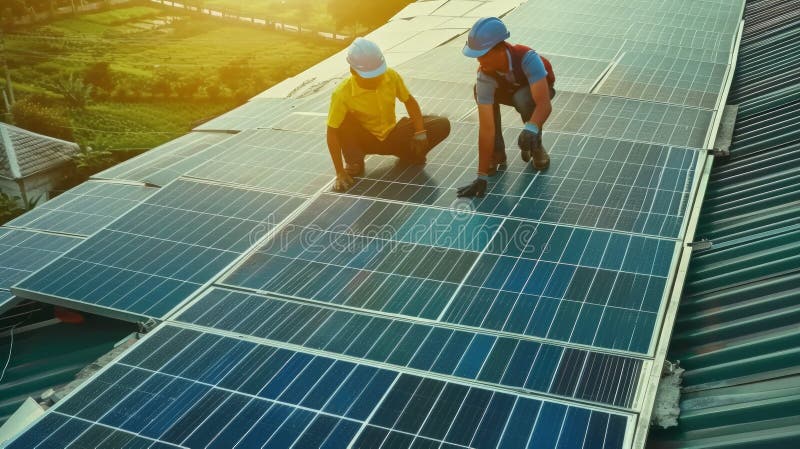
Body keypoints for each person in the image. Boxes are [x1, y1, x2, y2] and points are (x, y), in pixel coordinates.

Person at [327, 38, 451, 192]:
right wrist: (339, 171)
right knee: (341, 122)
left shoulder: (390, 76)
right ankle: (354, 160)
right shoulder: (341, 93)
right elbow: (332, 133)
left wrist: (420, 132)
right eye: (369, 77)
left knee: (441, 124)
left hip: (393, 134)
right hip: (365, 139)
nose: (375, 80)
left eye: (377, 75)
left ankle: (410, 154)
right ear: (353, 71)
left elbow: (410, 102)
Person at [457, 17, 555, 198]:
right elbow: (486, 128)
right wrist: (481, 176)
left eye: (483, 54)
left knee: (523, 98)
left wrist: (531, 129)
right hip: (507, 91)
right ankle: (497, 153)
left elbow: (544, 104)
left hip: (534, 93)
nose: (479, 60)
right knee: (480, 92)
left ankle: (536, 146)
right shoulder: (484, 75)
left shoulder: (527, 58)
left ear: (499, 49)